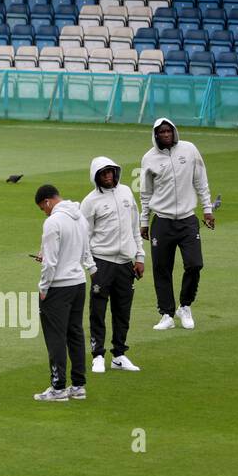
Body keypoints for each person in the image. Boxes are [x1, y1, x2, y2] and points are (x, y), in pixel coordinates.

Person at [139, 117, 215, 331]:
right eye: (161, 132)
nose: (165, 135)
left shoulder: (189, 150)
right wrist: (144, 221)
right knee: (162, 269)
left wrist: (207, 209)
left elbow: (200, 180)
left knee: (195, 264)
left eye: (168, 131)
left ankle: (185, 305)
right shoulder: (149, 158)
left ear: (174, 131)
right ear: (155, 135)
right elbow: (146, 193)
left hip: (187, 220)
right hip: (162, 222)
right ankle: (166, 314)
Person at [32, 184, 96, 402]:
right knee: (75, 334)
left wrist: (43, 287)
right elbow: (84, 250)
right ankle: (78, 385)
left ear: (47, 201)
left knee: (56, 337)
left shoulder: (53, 222)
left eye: (43, 208)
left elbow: (50, 262)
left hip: (58, 287)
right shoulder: (80, 218)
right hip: (78, 283)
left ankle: (58, 388)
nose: (44, 211)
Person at [81, 157, 144, 373]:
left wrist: (140, 257)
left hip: (126, 263)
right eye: (103, 173)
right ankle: (98, 354)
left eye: (111, 172)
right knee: (98, 310)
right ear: (96, 176)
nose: (108, 176)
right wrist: (91, 267)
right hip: (102, 263)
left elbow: (135, 228)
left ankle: (119, 355)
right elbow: (83, 238)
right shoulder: (89, 201)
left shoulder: (126, 192)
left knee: (122, 311)